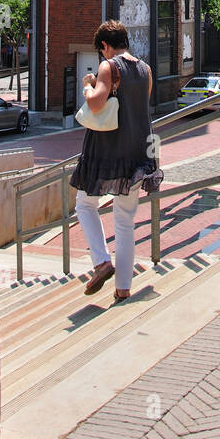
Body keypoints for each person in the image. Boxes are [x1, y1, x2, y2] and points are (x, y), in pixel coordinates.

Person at [70, 20, 163, 302]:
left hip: (106, 150)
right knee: (125, 220)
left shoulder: (109, 66)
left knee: (84, 204)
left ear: (105, 46)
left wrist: (88, 87)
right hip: (139, 151)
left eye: (102, 50)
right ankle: (123, 288)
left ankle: (101, 261)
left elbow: (97, 103)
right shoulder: (145, 69)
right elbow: (139, 103)